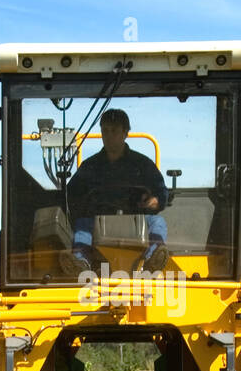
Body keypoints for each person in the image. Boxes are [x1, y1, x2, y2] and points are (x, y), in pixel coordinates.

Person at [59, 108, 169, 275]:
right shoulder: (89, 167)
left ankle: (153, 259)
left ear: (125, 133)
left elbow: (161, 192)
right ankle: (81, 264)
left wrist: (155, 201)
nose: (108, 136)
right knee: (82, 226)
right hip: (97, 222)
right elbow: (70, 195)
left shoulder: (142, 164)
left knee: (158, 222)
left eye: (114, 131)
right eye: (105, 130)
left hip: (136, 219)